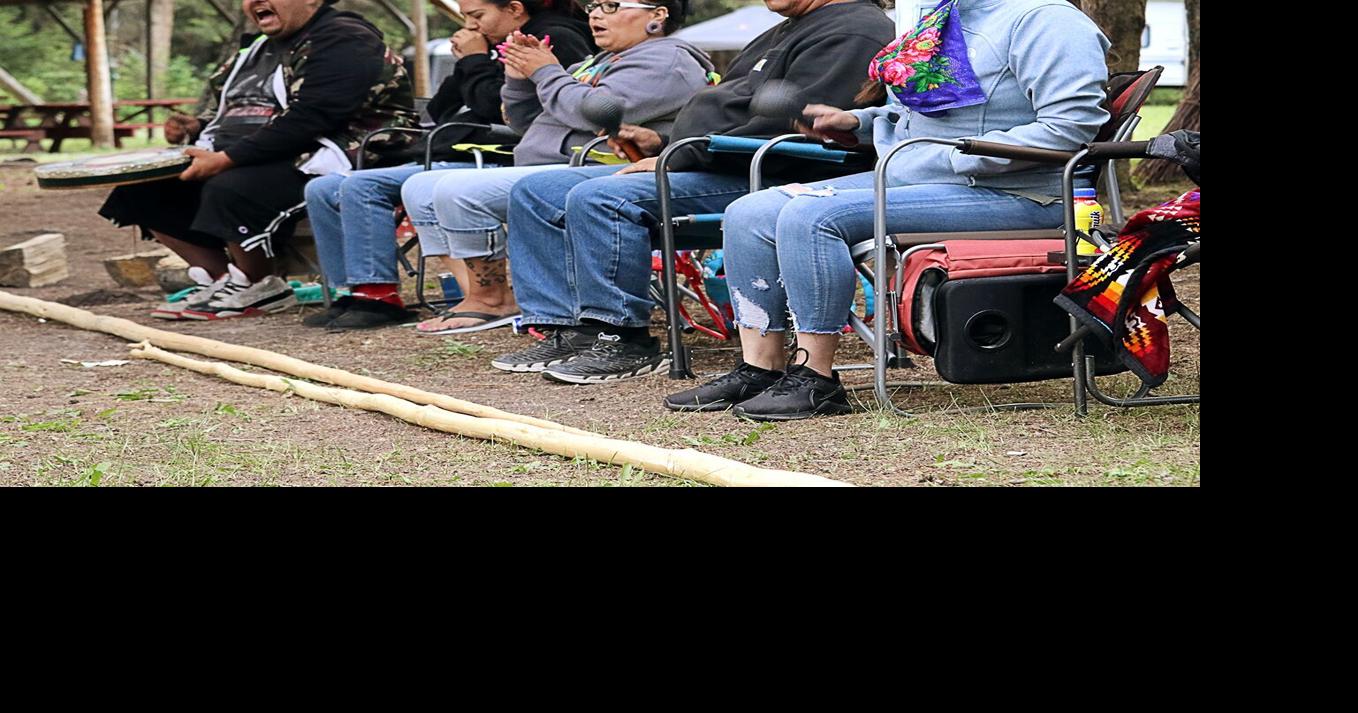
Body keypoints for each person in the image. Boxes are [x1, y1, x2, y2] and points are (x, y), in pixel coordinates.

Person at [663, 0, 1112, 420]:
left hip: (1021, 196)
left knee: (812, 216)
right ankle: (761, 368)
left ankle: (816, 378)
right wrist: (856, 124)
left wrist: (949, 156)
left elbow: (1069, 128)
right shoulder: (940, 13)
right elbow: (912, 119)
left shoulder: (1046, 20)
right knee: (750, 212)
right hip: (914, 179)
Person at [489, 0, 895, 382]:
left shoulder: (854, 30)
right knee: (538, 191)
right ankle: (569, 329)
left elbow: (794, 132)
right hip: (712, 160)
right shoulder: (793, 26)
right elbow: (731, 113)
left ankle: (621, 337)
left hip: (771, 176)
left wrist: (679, 157)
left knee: (603, 198)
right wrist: (661, 142)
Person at [396, 0, 712, 335]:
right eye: (594, 5)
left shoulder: (667, 59)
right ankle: (481, 294)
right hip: (550, 166)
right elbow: (527, 122)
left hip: (600, 169)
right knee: (419, 186)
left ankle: (493, 299)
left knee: (459, 191)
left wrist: (546, 71)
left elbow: (594, 112)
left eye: (611, 5)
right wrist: (518, 78)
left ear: (658, 15)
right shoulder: (601, 61)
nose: (595, 14)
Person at [98, 0, 416, 321]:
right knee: (143, 190)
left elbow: (312, 117)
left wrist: (227, 158)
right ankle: (223, 279)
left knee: (231, 186)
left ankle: (258, 283)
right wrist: (195, 127)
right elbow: (237, 108)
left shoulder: (345, 38)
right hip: (267, 152)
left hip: (342, 155)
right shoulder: (256, 48)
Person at [302, 0, 594, 331]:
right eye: (465, 17)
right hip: (450, 149)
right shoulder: (492, 45)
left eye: (477, 16)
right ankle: (350, 291)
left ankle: (380, 296)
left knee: (363, 186)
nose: (470, 26)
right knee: (323, 187)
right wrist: (467, 62)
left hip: (494, 153)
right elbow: (440, 109)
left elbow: (500, 110)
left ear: (514, 9)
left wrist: (475, 60)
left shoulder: (553, 38)